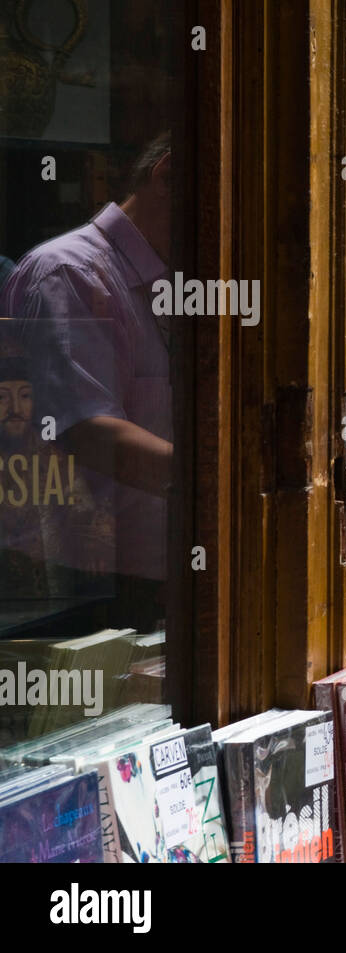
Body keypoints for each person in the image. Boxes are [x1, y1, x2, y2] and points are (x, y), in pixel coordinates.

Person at [0, 133, 174, 631]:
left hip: (154, 580)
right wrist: (221, 484)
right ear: (166, 177)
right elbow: (86, 430)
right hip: (93, 589)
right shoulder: (69, 273)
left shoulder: (176, 281)